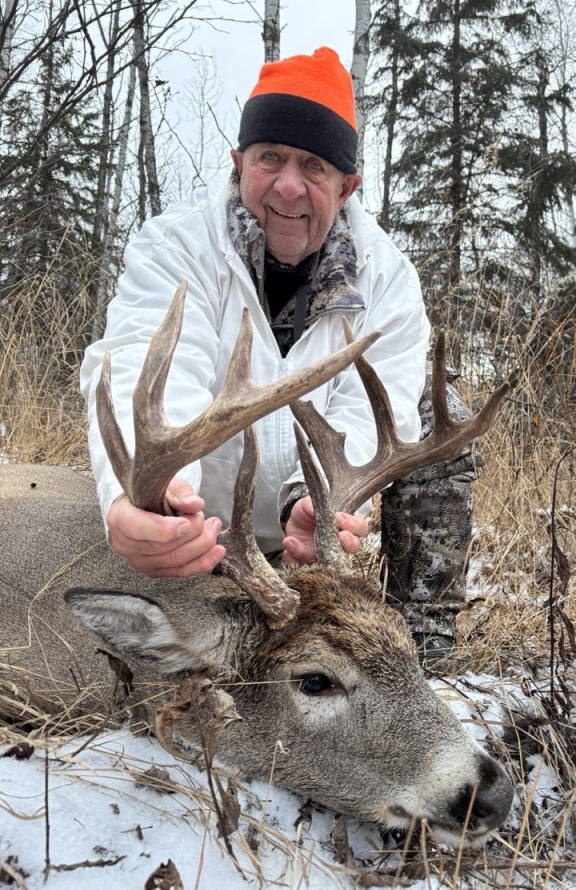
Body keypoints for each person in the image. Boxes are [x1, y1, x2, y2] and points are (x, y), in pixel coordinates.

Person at [80, 46, 477, 668]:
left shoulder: (388, 280)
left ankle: (418, 642)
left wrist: (317, 503)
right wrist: (145, 504)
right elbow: (140, 363)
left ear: (346, 187)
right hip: (196, 540)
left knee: (437, 408)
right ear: (239, 164)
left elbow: (383, 409)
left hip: (307, 551)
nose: (288, 185)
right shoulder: (175, 249)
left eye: (314, 166)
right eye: (271, 158)